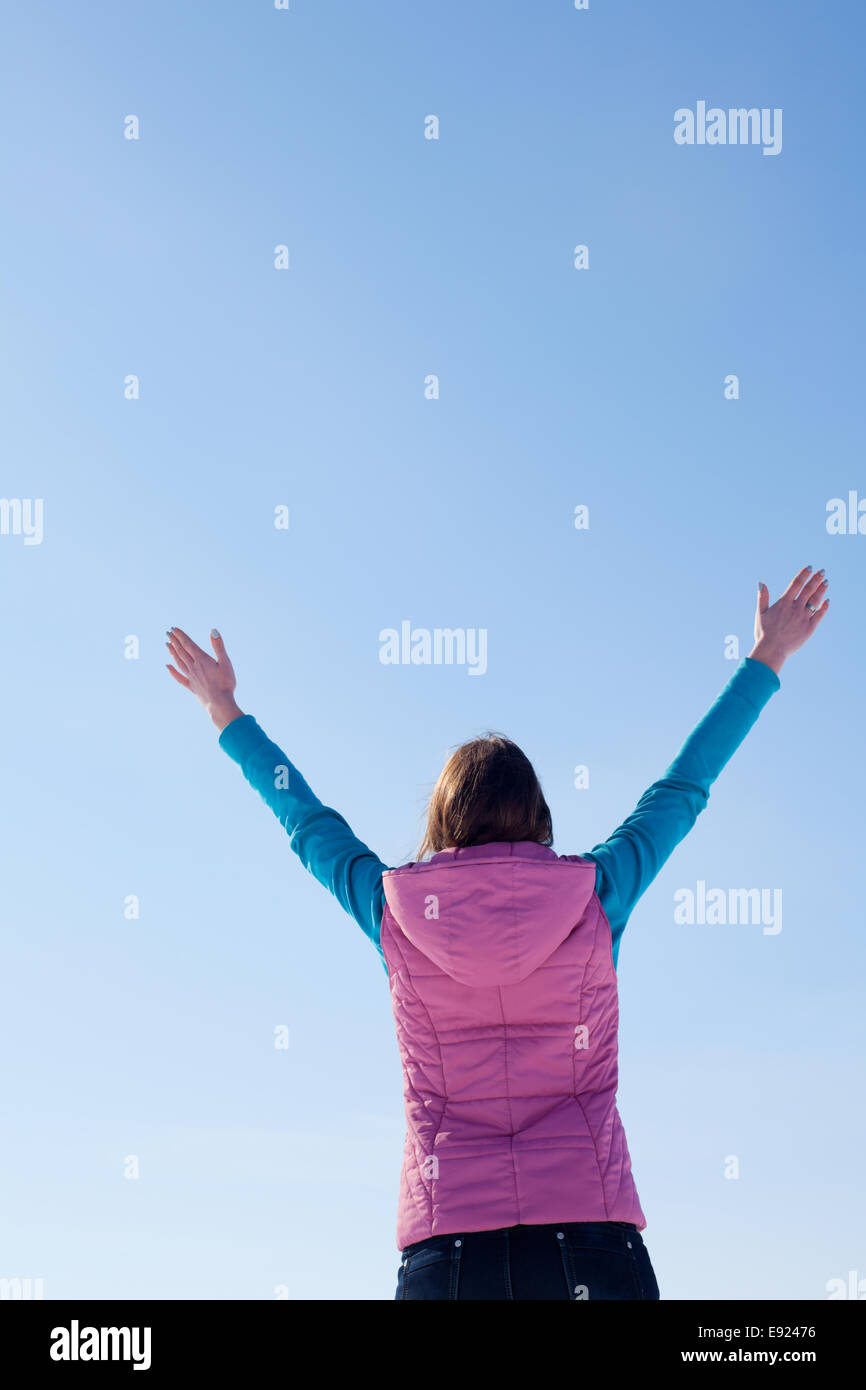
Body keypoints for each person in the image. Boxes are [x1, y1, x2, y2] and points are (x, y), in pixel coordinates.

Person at [166, 565, 828, 1300]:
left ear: (442, 820)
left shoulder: (394, 913)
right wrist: (766, 659)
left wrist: (225, 710)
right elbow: (683, 788)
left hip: (448, 1251)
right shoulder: (597, 895)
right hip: (590, 1241)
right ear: (539, 816)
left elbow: (307, 823)